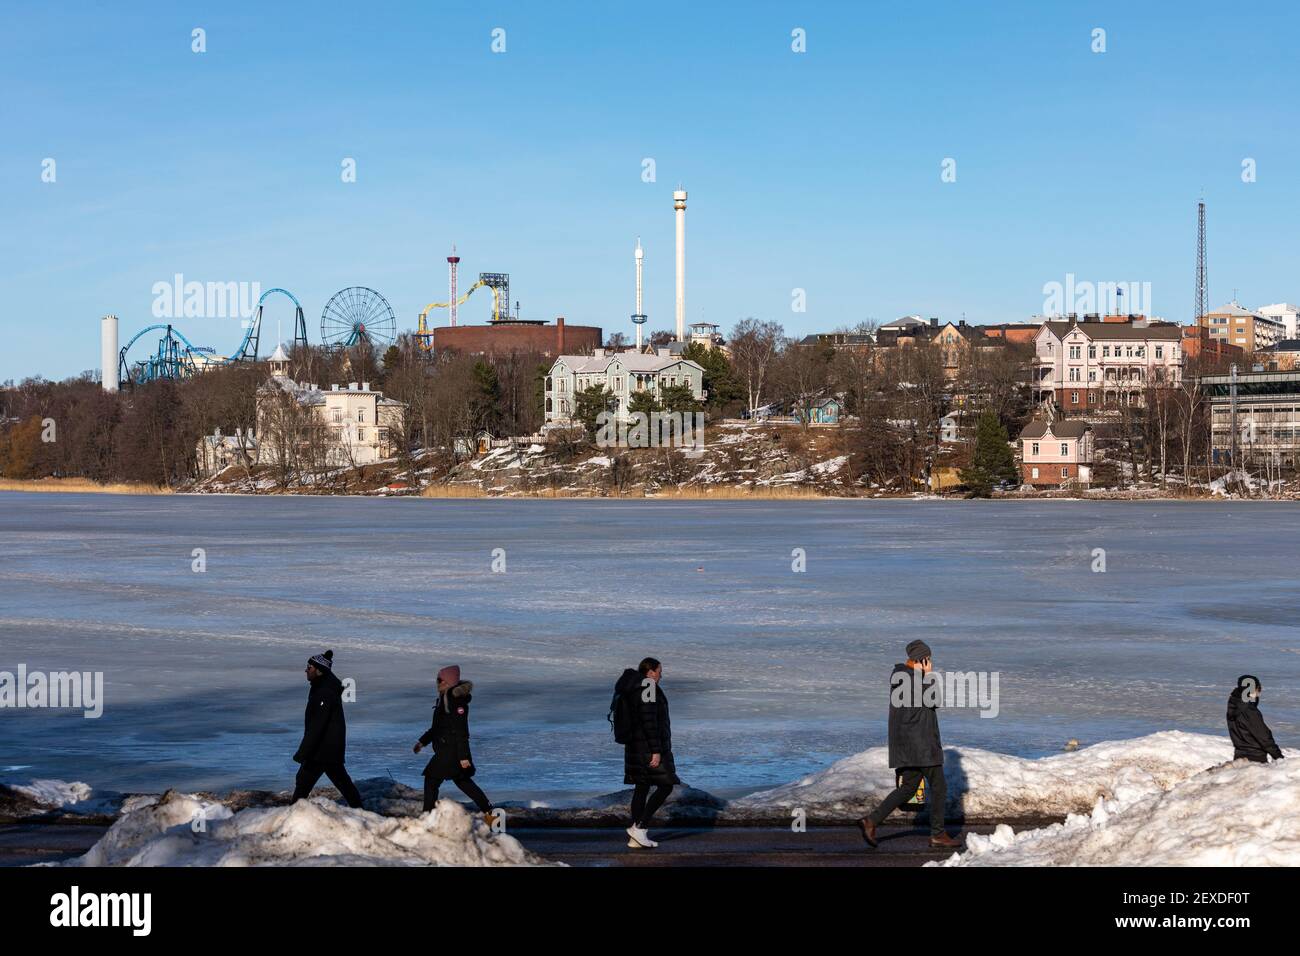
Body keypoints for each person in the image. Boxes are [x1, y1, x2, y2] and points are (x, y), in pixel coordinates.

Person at [859, 640, 961, 849]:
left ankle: (871, 821)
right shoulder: (912, 679)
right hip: (921, 746)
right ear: (921, 659)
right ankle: (938, 834)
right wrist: (929, 676)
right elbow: (934, 701)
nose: (930, 662)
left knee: (908, 787)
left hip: (910, 746)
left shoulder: (902, 677)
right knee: (939, 787)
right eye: (928, 659)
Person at [413, 665, 497, 825]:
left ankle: (427, 818)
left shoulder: (456, 702)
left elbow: (461, 731)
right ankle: (493, 816)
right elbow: (437, 727)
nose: (437, 683)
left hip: (451, 751)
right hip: (447, 749)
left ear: (448, 682)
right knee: (464, 783)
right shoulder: (444, 699)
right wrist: (422, 742)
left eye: (440, 680)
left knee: (431, 779)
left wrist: (464, 757)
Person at [615, 657, 680, 849]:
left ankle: (636, 837)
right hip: (647, 747)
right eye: (659, 671)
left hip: (635, 745)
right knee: (666, 785)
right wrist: (656, 751)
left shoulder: (633, 686)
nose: (661, 675)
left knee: (642, 787)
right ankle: (640, 828)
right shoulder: (648, 687)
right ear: (650, 671)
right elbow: (649, 721)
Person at [291, 650, 364, 808]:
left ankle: (291, 814)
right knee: (341, 783)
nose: (306, 670)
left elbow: (318, 725)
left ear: (319, 670)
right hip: (327, 749)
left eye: (309, 667)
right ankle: (360, 811)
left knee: (304, 783)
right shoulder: (322, 687)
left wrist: (303, 752)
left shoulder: (324, 691)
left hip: (323, 750)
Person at [1227, 674, 1284, 763]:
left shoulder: (1234, 706)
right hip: (1255, 759)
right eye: (1258, 690)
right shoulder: (1249, 711)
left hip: (1239, 757)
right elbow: (1263, 737)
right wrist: (1278, 757)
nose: (1259, 694)